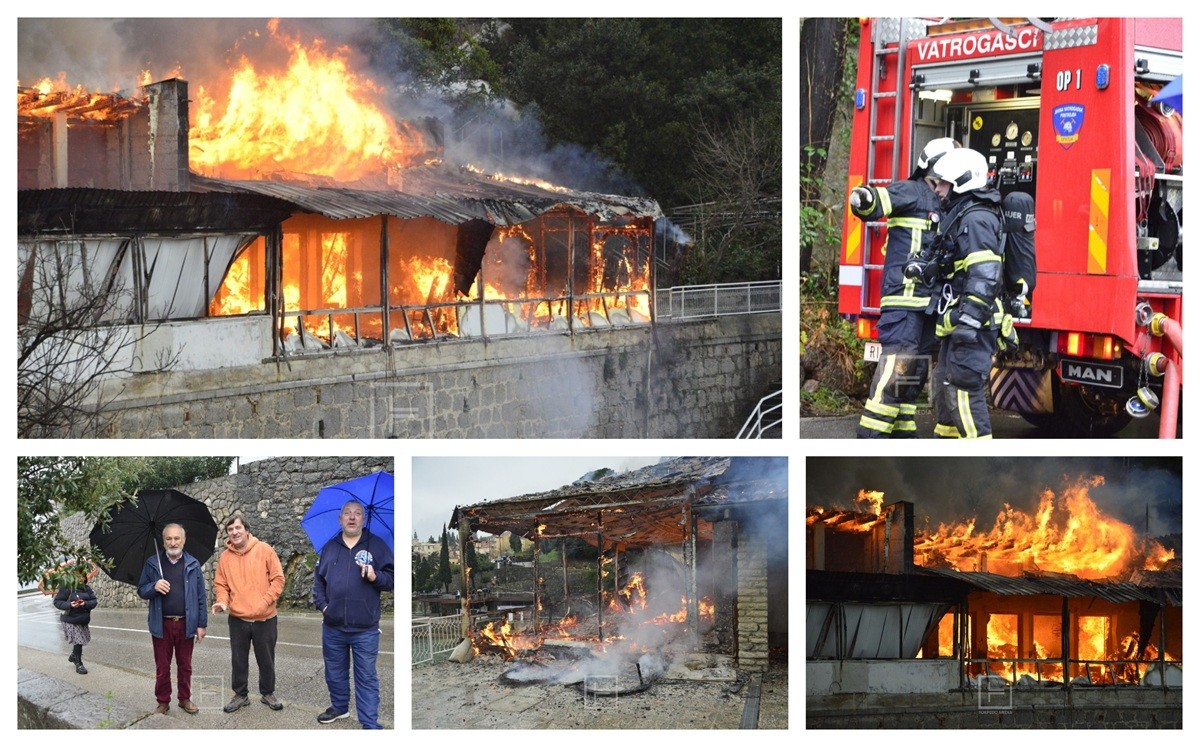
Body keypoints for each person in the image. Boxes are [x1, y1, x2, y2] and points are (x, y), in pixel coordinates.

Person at [849, 137, 959, 437]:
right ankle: (871, 435)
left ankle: (903, 430)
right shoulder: (911, 190)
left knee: (916, 368)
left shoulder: (946, 202)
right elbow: (877, 202)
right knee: (900, 361)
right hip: (904, 300)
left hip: (928, 304)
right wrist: (863, 198)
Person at [926, 147, 1015, 438]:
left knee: (963, 390)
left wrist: (969, 321)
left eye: (943, 182)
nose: (937, 188)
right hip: (959, 321)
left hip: (973, 324)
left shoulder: (976, 220)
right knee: (946, 391)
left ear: (962, 181)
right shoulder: (961, 215)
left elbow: (985, 275)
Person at [311, 499, 394, 729]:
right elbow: (318, 583)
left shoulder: (376, 545)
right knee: (334, 673)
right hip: (333, 627)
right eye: (347, 512)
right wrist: (325, 607)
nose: (352, 517)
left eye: (357, 513)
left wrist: (376, 576)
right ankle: (339, 708)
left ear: (364, 519)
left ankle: (369, 723)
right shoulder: (329, 547)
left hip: (365, 629)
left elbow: (392, 579)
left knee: (366, 677)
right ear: (340, 519)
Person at [211, 515, 286, 713]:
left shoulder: (264, 549)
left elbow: (278, 579)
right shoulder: (225, 558)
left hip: (265, 618)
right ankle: (240, 695)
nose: (234, 532)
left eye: (238, 528)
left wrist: (265, 601)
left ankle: (268, 693)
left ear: (246, 530)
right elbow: (221, 584)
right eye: (230, 530)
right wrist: (222, 601)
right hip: (238, 619)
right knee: (238, 660)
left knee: (266, 660)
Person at [137, 523, 208, 715]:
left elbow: (201, 596)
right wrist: (153, 586)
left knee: (185, 665)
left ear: (183, 540)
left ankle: (184, 698)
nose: (173, 542)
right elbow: (141, 589)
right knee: (162, 666)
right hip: (162, 624)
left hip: (186, 624)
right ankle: (163, 701)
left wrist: (201, 624)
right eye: (169, 538)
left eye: (177, 538)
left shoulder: (193, 564)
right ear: (163, 541)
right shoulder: (153, 563)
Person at [52, 562, 98, 675]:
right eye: (77, 576)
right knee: (78, 640)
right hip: (70, 620)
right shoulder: (67, 588)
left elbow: (94, 601)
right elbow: (57, 602)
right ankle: (79, 663)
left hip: (83, 619)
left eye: (82, 576)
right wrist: (70, 605)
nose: (80, 578)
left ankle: (73, 655)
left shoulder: (87, 588)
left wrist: (84, 603)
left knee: (81, 640)